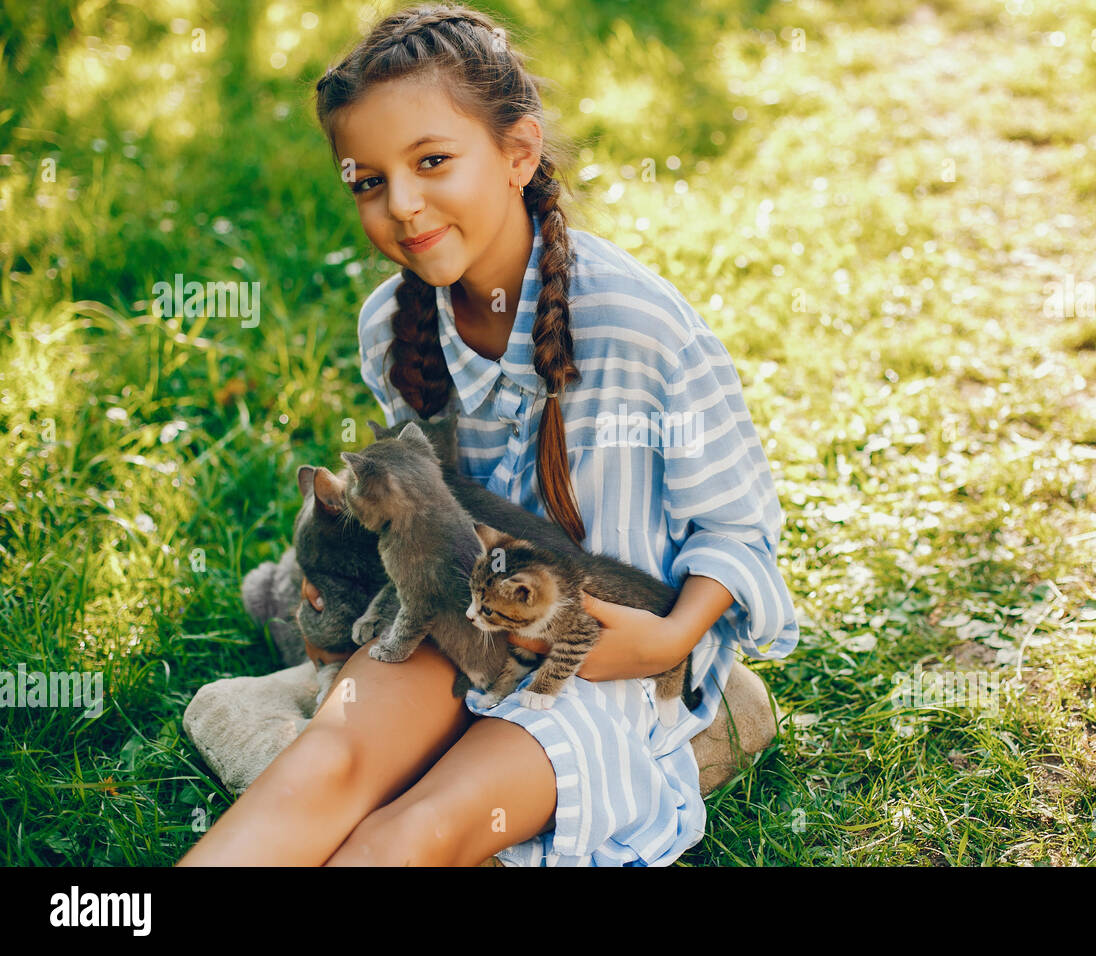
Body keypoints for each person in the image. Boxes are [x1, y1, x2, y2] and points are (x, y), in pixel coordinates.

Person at [178, 1, 798, 867]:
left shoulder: (636, 326)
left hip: (599, 664)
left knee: (417, 830)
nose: (402, 204)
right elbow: (426, 503)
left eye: (433, 161)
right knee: (325, 761)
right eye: (368, 181)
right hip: (457, 620)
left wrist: (664, 641)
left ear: (518, 152)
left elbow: (737, 530)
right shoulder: (390, 324)